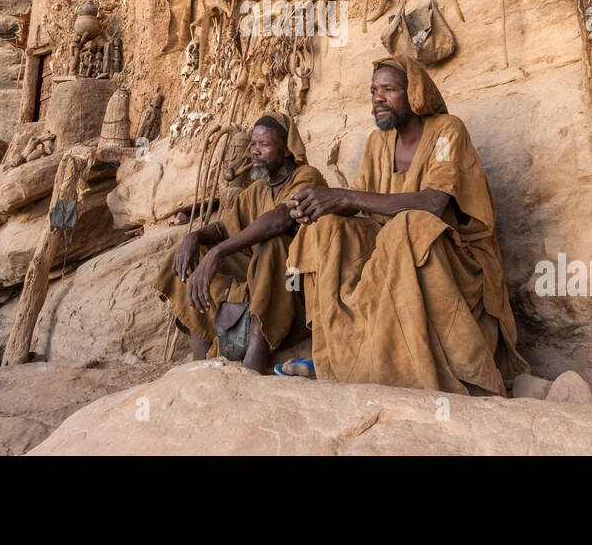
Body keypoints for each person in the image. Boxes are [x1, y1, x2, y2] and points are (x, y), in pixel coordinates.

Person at [284, 54, 530, 395]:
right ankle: (338, 356)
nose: (377, 98)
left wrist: (344, 198)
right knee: (326, 231)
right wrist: (315, 207)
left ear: (414, 94)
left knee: (408, 226)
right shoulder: (377, 142)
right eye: (373, 91)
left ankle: (446, 371)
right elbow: (357, 205)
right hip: (392, 255)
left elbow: (433, 203)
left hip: (457, 259)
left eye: (389, 89)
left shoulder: (447, 131)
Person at [153, 112, 325, 372]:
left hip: (295, 284)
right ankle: (199, 362)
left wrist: (219, 253)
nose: (254, 151)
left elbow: (281, 219)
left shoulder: (307, 176)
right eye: (253, 144)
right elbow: (224, 228)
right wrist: (194, 237)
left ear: (288, 150)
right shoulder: (258, 190)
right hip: (259, 276)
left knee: (274, 246)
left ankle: (254, 362)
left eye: (264, 145)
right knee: (191, 252)